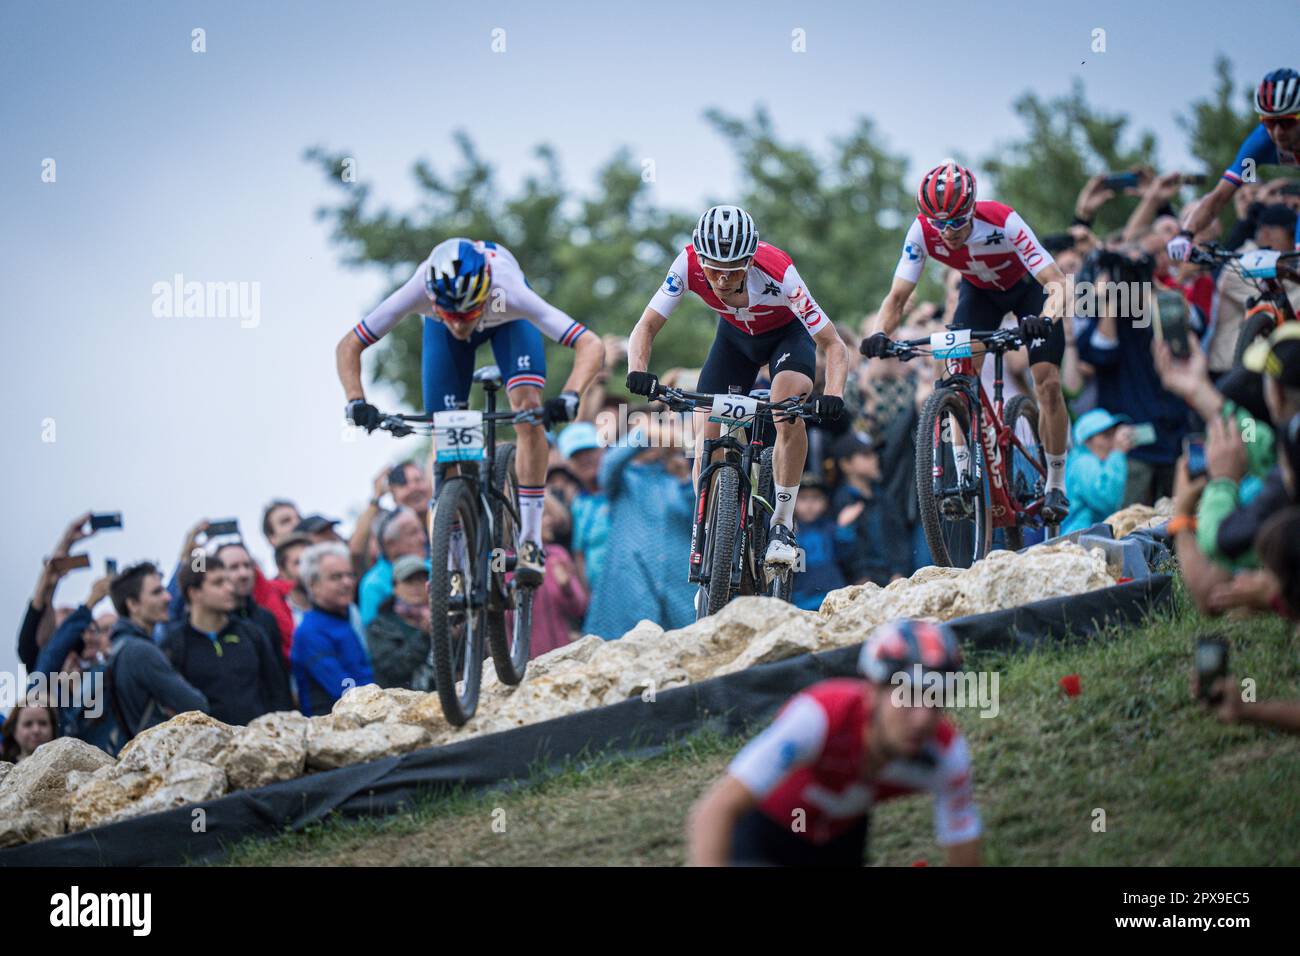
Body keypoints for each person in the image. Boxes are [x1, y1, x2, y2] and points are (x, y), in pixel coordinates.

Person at [337, 237, 605, 585]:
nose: (460, 325)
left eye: (467, 314)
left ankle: (531, 539)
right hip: (445, 340)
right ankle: (456, 556)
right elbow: (349, 345)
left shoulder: (508, 288)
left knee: (527, 407)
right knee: (444, 436)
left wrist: (570, 395)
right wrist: (356, 400)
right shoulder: (420, 287)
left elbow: (590, 344)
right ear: (434, 300)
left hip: (507, 323)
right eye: (450, 314)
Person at [625, 204, 850, 569]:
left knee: (785, 407)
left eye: (732, 271)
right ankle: (705, 528)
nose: (722, 280)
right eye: (713, 269)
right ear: (701, 258)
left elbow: (834, 345)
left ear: (749, 261)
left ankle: (782, 524)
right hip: (734, 342)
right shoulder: (686, 265)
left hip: (786, 339)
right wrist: (638, 370)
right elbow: (646, 327)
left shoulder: (780, 272)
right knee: (706, 430)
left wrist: (834, 394)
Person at [861, 160, 1072, 523]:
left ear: (972, 210)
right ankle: (962, 476)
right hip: (980, 294)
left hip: (1028, 293)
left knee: (1048, 382)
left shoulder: (1003, 220)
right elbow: (896, 298)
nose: (948, 232)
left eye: (957, 222)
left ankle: (1055, 483)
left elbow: (1058, 283)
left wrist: (1046, 319)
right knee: (957, 376)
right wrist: (880, 334)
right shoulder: (922, 232)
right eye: (939, 223)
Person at [687, 619, 981, 867]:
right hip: (765, 835)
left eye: (935, 701)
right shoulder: (819, 717)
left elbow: (963, 847)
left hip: (841, 837)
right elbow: (714, 811)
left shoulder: (946, 752)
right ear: (872, 691)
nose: (922, 719)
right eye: (908, 697)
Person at [1169, 68, 1300, 262]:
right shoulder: (1260, 144)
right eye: (1270, 122)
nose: (1278, 132)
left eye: (1287, 122)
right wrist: (1185, 234)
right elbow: (1220, 197)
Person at [163, 557, 294, 726]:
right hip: (207, 746)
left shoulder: (252, 634)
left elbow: (278, 690)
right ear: (194, 593)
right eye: (218, 583)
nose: (230, 588)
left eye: (228, 581)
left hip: (259, 743)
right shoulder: (175, 645)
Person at [291, 542, 373, 716]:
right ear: (313, 585)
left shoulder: (344, 617)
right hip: (333, 728)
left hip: (363, 715)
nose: (347, 582)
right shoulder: (310, 631)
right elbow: (342, 687)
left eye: (350, 575)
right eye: (336, 577)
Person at [831, 432, 910, 586]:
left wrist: (899, 572)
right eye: (866, 455)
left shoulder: (885, 498)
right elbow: (841, 553)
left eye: (874, 453)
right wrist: (859, 577)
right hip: (861, 584)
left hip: (894, 580)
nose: (875, 458)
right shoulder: (840, 502)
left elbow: (899, 539)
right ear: (846, 464)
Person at [528, 495, 588, 658]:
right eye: (544, 516)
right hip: (525, 666)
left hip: (562, 660)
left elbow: (580, 607)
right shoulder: (503, 558)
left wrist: (567, 588)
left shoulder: (557, 554)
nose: (550, 522)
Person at [366, 555, 434, 690]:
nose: (416, 586)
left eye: (421, 580)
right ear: (395, 587)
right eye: (409, 581)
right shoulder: (380, 626)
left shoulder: (443, 617)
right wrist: (425, 636)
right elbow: (392, 669)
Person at [1061, 409, 1135, 534]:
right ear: (1086, 441)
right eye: (1106, 435)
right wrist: (1117, 454)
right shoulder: (1083, 462)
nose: (1113, 441)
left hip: (1090, 537)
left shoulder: (1096, 461)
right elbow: (1107, 500)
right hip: (1078, 540)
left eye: (1113, 434)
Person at [560, 422, 610, 594]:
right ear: (569, 465)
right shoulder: (578, 504)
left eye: (589, 451)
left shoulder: (623, 488)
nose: (585, 459)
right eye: (577, 455)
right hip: (597, 598)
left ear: (603, 451)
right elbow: (579, 553)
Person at [358, 507, 428, 627]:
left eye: (421, 531)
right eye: (413, 533)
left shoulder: (431, 565)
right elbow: (375, 635)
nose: (423, 539)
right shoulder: (373, 585)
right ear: (391, 544)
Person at [790, 477, 847, 611]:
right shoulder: (790, 533)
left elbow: (846, 556)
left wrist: (845, 530)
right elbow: (796, 570)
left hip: (833, 595)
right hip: (801, 600)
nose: (809, 504)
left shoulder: (831, 528)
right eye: (803, 498)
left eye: (816, 498)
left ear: (825, 502)